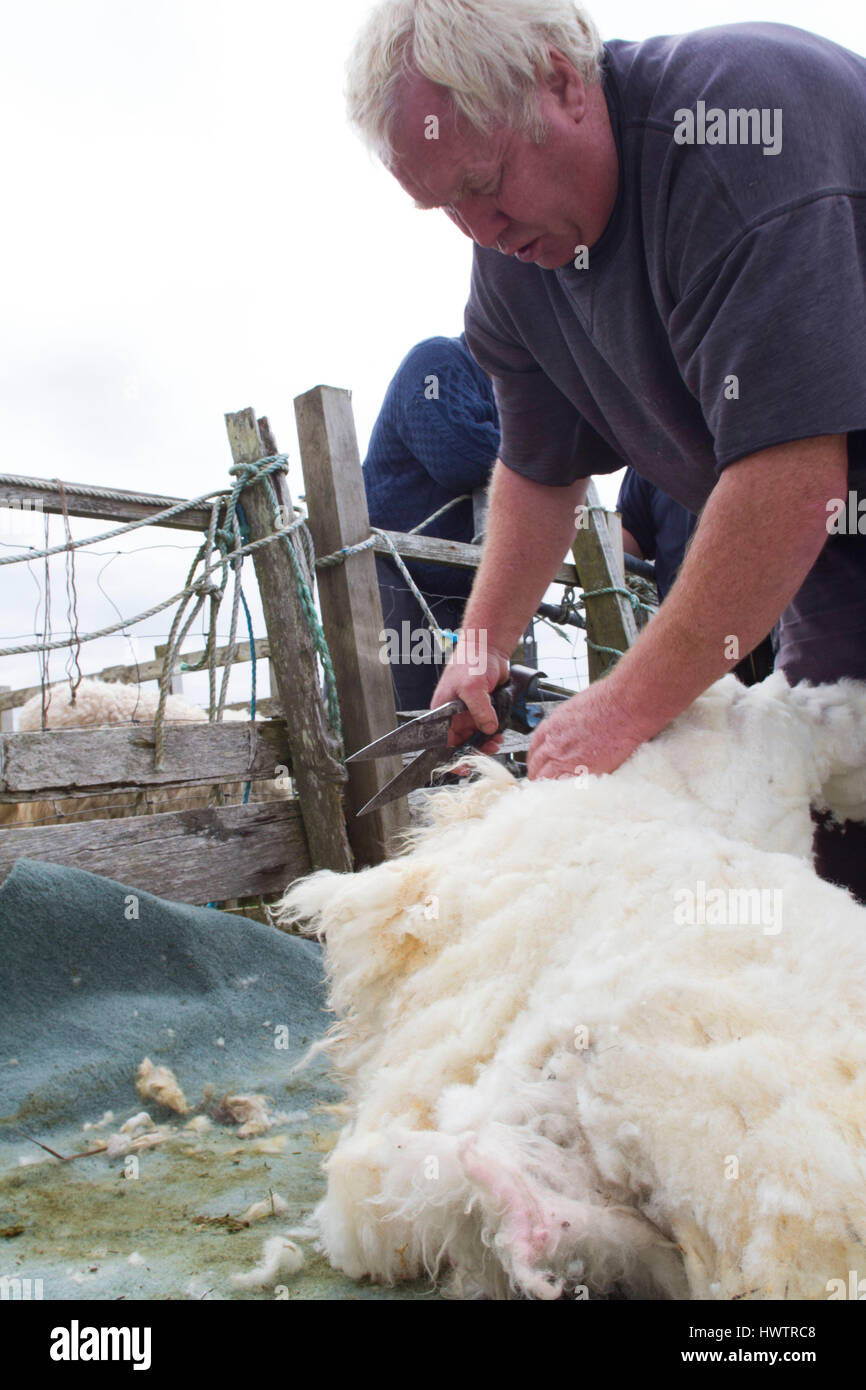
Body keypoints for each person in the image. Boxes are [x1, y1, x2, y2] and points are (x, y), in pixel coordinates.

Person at [345, 3, 866, 901]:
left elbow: (790, 471)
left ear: (559, 81)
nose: (478, 229)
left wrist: (617, 708)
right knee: (837, 809)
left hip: (812, 499)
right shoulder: (517, 267)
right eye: (445, 207)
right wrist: (479, 648)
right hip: (834, 548)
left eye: (483, 180)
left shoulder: (739, 132)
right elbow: (537, 470)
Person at [363, 333, 500, 709]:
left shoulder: (514, 395)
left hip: (459, 590)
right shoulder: (438, 363)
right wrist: (535, 452)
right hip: (397, 575)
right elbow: (458, 454)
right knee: (404, 722)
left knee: (468, 722)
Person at [617, 468, 775, 685]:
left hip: (774, 620)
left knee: (782, 704)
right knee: (701, 711)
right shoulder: (649, 451)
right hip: (687, 629)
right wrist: (590, 538)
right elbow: (631, 536)